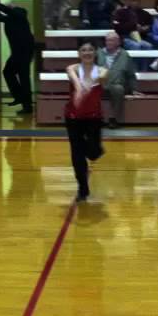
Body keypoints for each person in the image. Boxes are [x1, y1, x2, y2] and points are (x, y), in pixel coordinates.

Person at [65, 40, 106, 202]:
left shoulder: (102, 70)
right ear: (79, 53)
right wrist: (79, 88)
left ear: (95, 52)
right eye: (83, 50)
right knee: (77, 153)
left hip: (94, 118)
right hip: (73, 117)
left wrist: (87, 86)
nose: (87, 53)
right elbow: (73, 77)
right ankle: (82, 187)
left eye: (90, 50)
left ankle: (95, 151)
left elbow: (100, 79)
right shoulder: (72, 68)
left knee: (94, 153)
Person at [0, 0, 34, 114]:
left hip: (24, 52)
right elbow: (0, 17)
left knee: (23, 77)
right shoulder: (10, 18)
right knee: (9, 72)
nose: (7, 8)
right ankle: (19, 97)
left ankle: (27, 106)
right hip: (17, 53)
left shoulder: (20, 12)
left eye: (9, 6)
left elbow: (8, 11)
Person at [98, 31, 138, 129]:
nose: (109, 42)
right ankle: (95, 118)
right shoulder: (98, 53)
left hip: (117, 85)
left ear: (118, 42)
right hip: (100, 84)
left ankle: (114, 118)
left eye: (111, 40)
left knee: (118, 89)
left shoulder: (125, 55)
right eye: (107, 40)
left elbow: (130, 74)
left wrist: (134, 89)